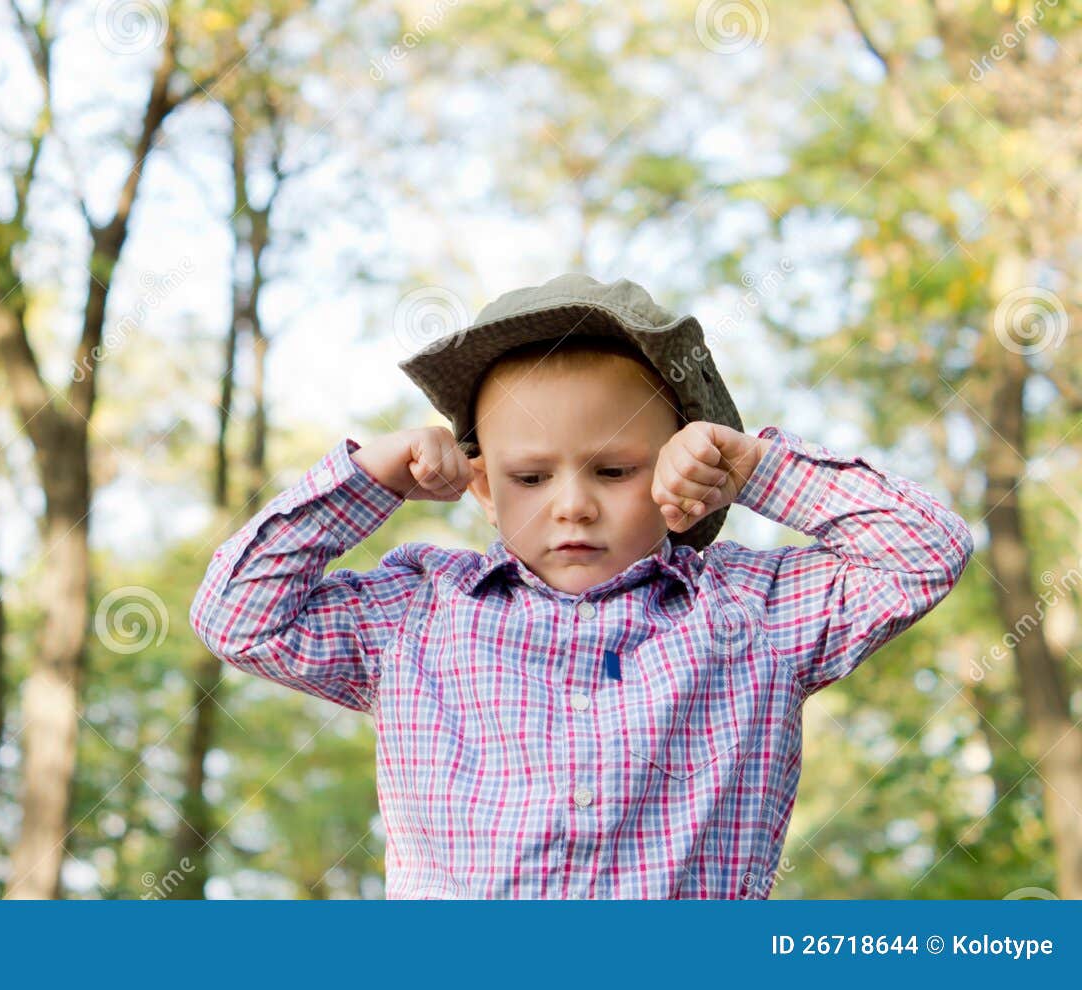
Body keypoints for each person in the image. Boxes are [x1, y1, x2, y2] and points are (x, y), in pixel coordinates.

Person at [188, 274, 974, 898]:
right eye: (530, 477)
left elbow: (924, 553)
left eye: (614, 470)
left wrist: (753, 468)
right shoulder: (416, 612)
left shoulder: (753, 613)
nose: (571, 503)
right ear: (484, 490)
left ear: (678, 472)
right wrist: (368, 478)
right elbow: (238, 615)